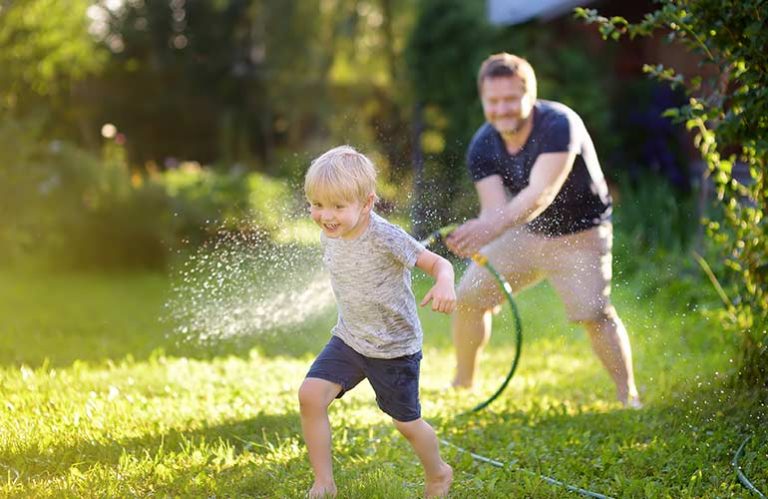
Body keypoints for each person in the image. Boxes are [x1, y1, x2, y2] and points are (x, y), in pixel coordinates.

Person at [445, 53, 641, 407]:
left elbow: (541, 194)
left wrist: (491, 227)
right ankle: (462, 385)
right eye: (493, 101)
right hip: (523, 232)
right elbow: (493, 210)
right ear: (483, 100)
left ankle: (628, 397)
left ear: (530, 96)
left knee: (594, 314)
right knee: (469, 298)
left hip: (580, 236)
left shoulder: (559, 124)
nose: (501, 109)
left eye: (510, 99)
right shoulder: (483, 144)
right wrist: (476, 233)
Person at [298, 145, 455, 498]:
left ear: (367, 204)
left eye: (338, 206)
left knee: (407, 424)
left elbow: (439, 265)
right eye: (317, 205)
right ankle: (324, 482)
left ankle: (439, 472)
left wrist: (445, 283)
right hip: (350, 338)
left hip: (394, 349)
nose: (326, 216)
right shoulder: (330, 232)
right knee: (310, 396)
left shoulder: (386, 236)